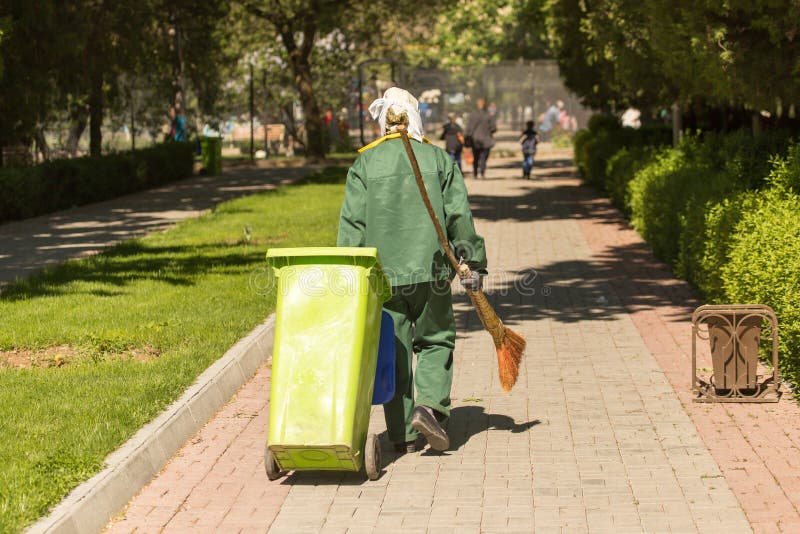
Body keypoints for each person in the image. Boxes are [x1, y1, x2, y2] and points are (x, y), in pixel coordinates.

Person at [337, 87, 487, 453]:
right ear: (415, 117)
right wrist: (473, 260)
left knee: (396, 348)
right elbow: (458, 216)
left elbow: (352, 225)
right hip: (432, 270)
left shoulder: (365, 164)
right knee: (436, 340)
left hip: (382, 276)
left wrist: (348, 272)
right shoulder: (438, 160)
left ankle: (403, 434)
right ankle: (430, 406)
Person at [465, 98, 497, 179]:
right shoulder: (488, 115)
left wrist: (467, 136)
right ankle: (482, 173)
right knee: (483, 157)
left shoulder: (472, 114)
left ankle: (475, 173)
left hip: (475, 139)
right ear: (485, 105)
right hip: (486, 139)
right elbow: (493, 128)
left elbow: (468, 128)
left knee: (475, 157)